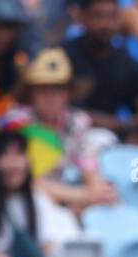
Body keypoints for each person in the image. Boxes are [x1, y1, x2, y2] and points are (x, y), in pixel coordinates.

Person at [18, 47, 118, 216]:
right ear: (31, 93)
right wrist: (81, 194)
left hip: (67, 197)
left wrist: (97, 191)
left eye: (58, 89)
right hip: (26, 197)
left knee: (110, 196)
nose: (51, 96)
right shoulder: (18, 123)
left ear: (68, 93)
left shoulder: (76, 121)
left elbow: (89, 166)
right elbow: (21, 180)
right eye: (43, 89)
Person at [0, 127, 80, 257]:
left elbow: (46, 244)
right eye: (4, 155)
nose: (13, 164)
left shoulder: (37, 197)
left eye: (19, 154)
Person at [62, 0, 138, 136]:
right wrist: (117, 124)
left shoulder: (128, 63)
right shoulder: (62, 56)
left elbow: (137, 112)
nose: (106, 24)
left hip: (110, 141)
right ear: (82, 17)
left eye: (112, 17)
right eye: (98, 17)